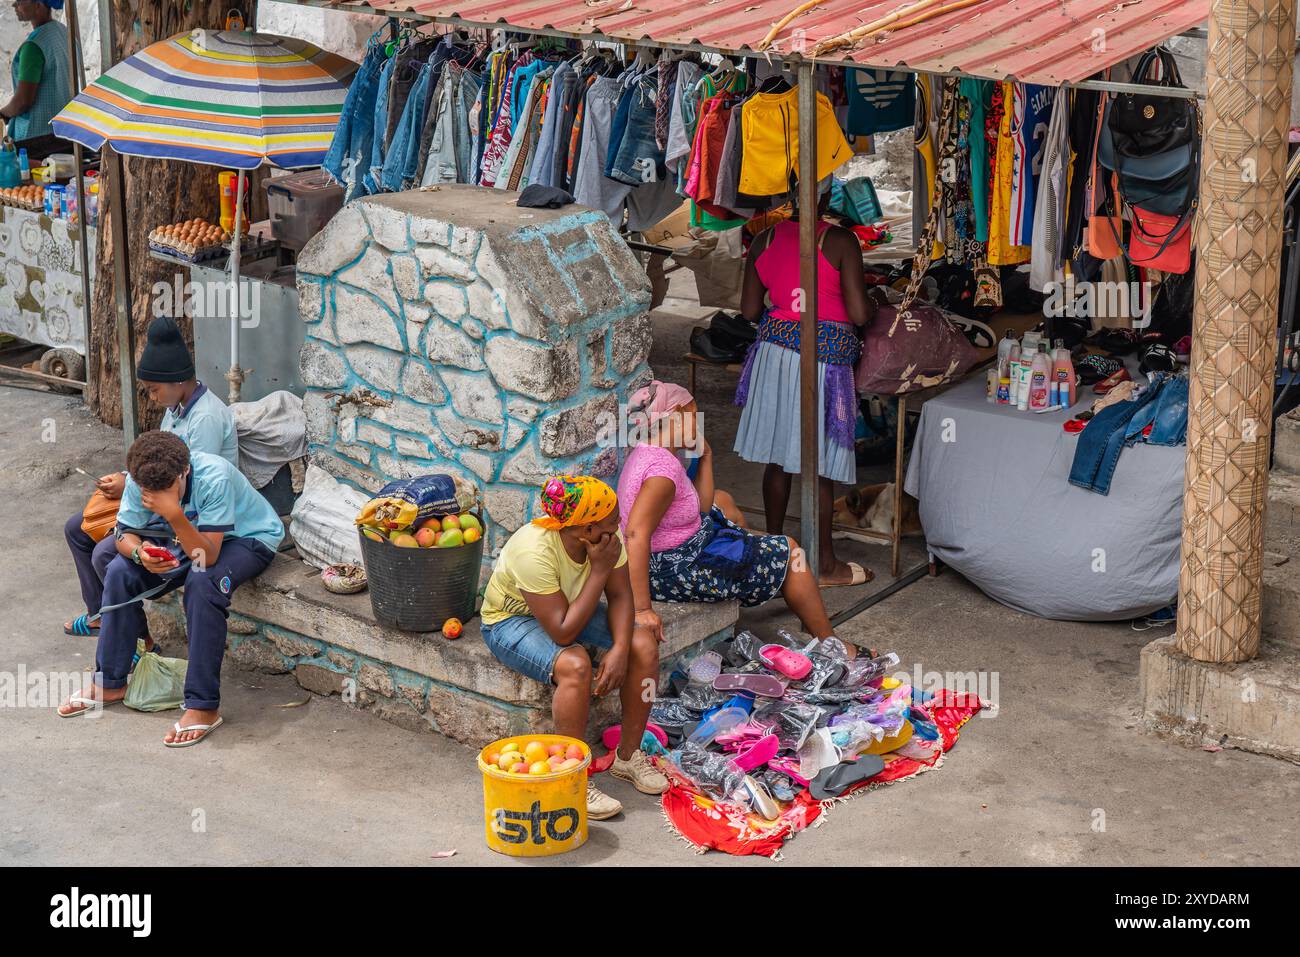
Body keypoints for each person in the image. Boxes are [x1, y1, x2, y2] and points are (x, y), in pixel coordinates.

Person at [58, 431, 282, 747]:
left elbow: (207, 556)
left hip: (244, 539)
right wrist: (139, 553)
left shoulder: (213, 477)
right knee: (121, 570)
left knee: (203, 583)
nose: (154, 495)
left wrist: (173, 513)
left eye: (165, 490)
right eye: (149, 491)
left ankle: (203, 706)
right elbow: (122, 535)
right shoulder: (140, 481)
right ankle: (110, 681)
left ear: (184, 472)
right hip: (186, 536)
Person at [479, 474, 667, 821]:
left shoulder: (605, 539)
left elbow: (623, 595)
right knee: (576, 664)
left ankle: (628, 756)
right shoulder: (532, 550)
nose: (619, 522)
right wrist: (599, 570)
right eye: (612, 519)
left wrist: (622, 649)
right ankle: (571, 777)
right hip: (509, 620)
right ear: (586, 531)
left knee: (644, 644)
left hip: (569, 605)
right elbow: (564, 633)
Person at [619, 380, 849, 648]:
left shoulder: (649, 452)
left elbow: (701, 510)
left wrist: (706, 456)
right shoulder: (662, 474)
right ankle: (834, 646)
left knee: (724, 503)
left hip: (675, 552)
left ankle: (771, 584)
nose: (698, 424)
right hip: (673, 570)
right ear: (674, 419)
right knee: (791, 552)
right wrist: (642, 610)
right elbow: (636, 533)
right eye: (693, 416)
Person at [734, 192, 886, 587]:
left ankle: (774, 552)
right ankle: (824, 565)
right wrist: (872, 303)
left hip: (775, 353)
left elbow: (749, 311)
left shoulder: (764, 239)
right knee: (819, 463)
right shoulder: (839, 241)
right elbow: (857, 313)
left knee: (779, 458)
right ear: (823, 196)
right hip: (821, 361)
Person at [62, 316, 237, 638]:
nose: (153, 397)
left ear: (178, 381)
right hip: (163, 494)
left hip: (189, 510)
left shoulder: (207, 417)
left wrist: (130, 484)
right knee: (77, 528)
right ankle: (100, 614)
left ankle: (138, 640)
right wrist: (126, 477)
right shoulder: (177, 408)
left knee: (105, 553)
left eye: (154, 390)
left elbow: (187, 479)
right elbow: (162, 458)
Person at [1, 1, 74, 144]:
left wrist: (3, 114)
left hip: (37, 139)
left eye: (21, 2)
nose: (15, 5)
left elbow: (23, 101)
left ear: (38, 5)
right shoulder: (64, 33)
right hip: (65, 131)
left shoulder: (33, 47)